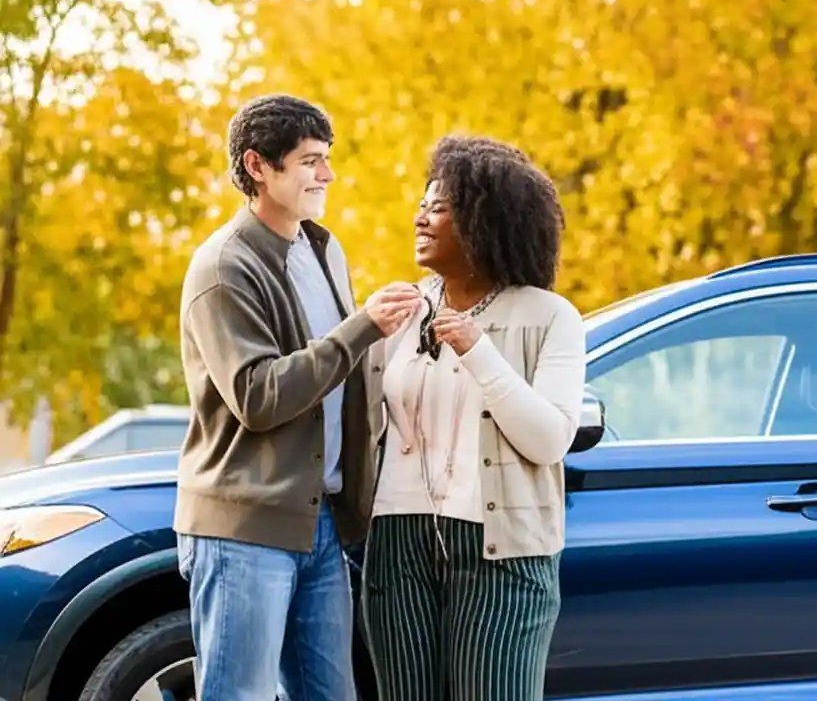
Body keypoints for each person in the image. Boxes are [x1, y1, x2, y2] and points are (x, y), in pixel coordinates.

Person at [175, 93, 421, 700]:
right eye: (310, 161)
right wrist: (363, 326)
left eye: (327, 159)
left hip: (319, 525)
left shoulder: (323, 249)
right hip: (245, 530)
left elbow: (345, 374)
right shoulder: (224, 268)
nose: (327, 175)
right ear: (258, 167)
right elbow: (258, 396)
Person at [362, 135, 586, 701]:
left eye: (438, 207)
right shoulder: (400, 310)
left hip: (502, 552)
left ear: (486, 222)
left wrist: (477, 349)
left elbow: (549, 439)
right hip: (398, 542)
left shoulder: (549, 317)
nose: (420, 217)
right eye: (422, 204)